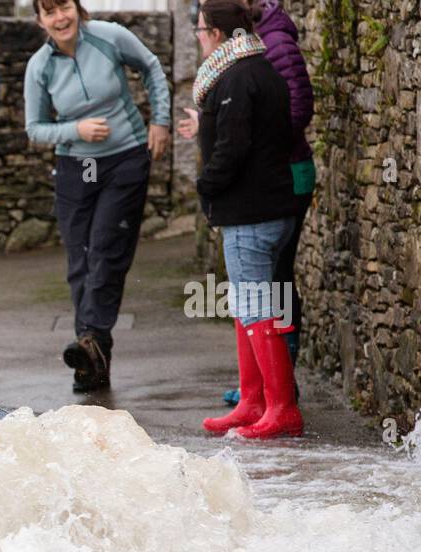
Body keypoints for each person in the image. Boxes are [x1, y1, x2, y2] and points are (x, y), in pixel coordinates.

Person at [24, 0, 170, 393]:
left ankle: (88, 342)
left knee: (106, 249)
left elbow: (151, 67)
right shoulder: (40, 66)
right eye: (50, 11)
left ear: (78, 8)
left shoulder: (109, 37)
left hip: (124, 160)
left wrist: (160, 121)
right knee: (80, 261)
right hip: (75, 168)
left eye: (65, 7)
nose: (60, 17)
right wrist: (75, 130)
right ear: (40, 20)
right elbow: (35, 129)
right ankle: (92, 358)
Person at [179, 0, 302, 439]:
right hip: (270, 207)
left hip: (250, 214)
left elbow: (233, 147)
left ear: (217, 33)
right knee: (250, 308)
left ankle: (281, 408)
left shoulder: (235, 75)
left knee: (256, 309)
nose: (197, 36)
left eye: (199, 29)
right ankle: (253, 401)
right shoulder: (260, 67)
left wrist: (205, 184)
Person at [220, 0, 314, 407]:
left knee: (275, 279)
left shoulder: (275, 40)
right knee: (268, 282)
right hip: (274, 174)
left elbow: (298, 107)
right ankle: (263, 385)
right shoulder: (253, 38)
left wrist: (258, 153)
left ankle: (281, 384)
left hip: (287, 174)